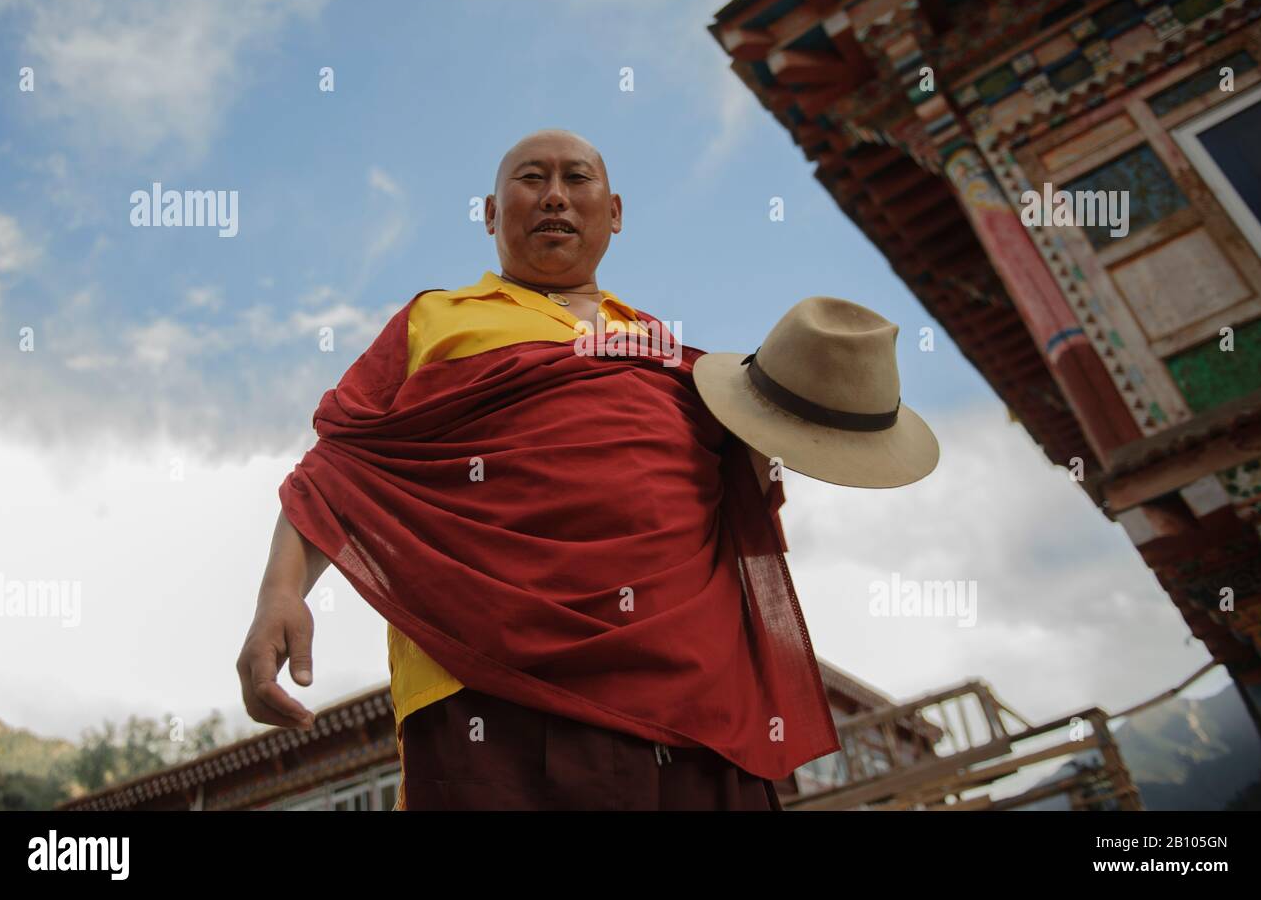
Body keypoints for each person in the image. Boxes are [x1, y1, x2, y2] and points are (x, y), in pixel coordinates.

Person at [236, 128, 934, 810]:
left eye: (577, 179)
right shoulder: (435, 320)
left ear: (615, 212)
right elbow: (338, 465)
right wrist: (280, 594)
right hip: (491, 677)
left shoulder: (668, 352)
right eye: (531, 179)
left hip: (694, 692)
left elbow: (732, 503)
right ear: (488, 213)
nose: (555, 197)